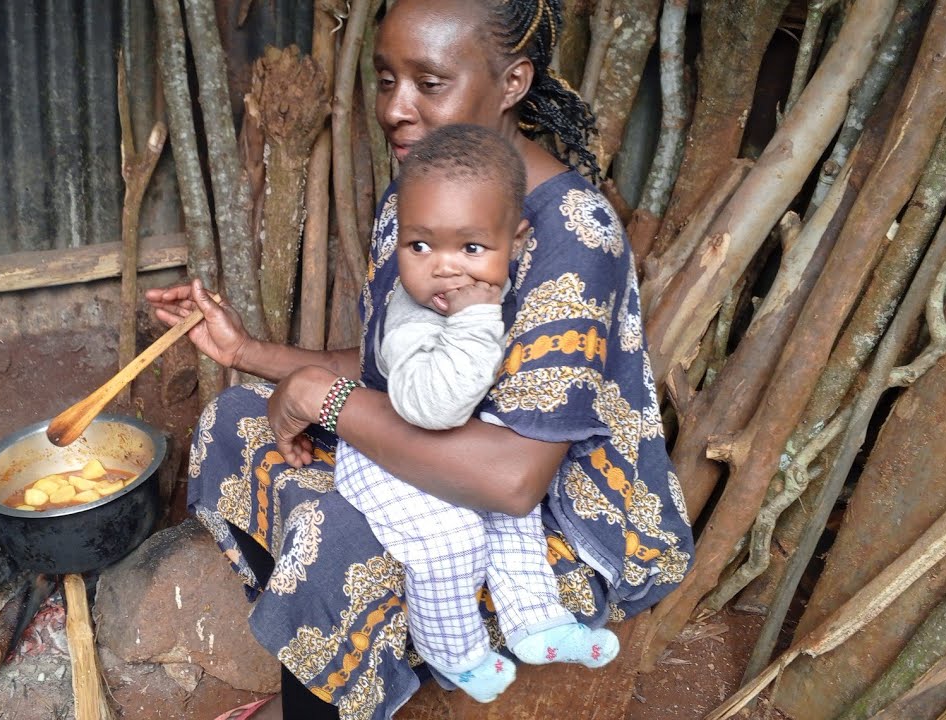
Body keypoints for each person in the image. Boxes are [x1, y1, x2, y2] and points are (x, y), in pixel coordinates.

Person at [146, 1, 694, 718]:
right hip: (438, 449)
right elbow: (393, 371)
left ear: (512, 82)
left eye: (428, 83)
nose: (395, 110)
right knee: (235, 419)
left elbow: (512, 482)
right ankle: (332, 668)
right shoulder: (424, 189)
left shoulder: (572, 233)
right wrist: (248, 352)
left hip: (552, 521)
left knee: (331, 539)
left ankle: (331, 691)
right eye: (384, 79)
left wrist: (325, 399)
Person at [332, 122, 619, 705]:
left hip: (440, 455)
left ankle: (535, 621)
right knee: (453, 538)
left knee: (512, 519)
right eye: (419, 246)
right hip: (382, 456)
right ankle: (453, 651)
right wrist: (475, 320)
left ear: (513, 240)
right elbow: (433, 409)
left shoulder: (517, 283)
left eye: (470, 248)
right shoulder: (413, 313)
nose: (443, 267)